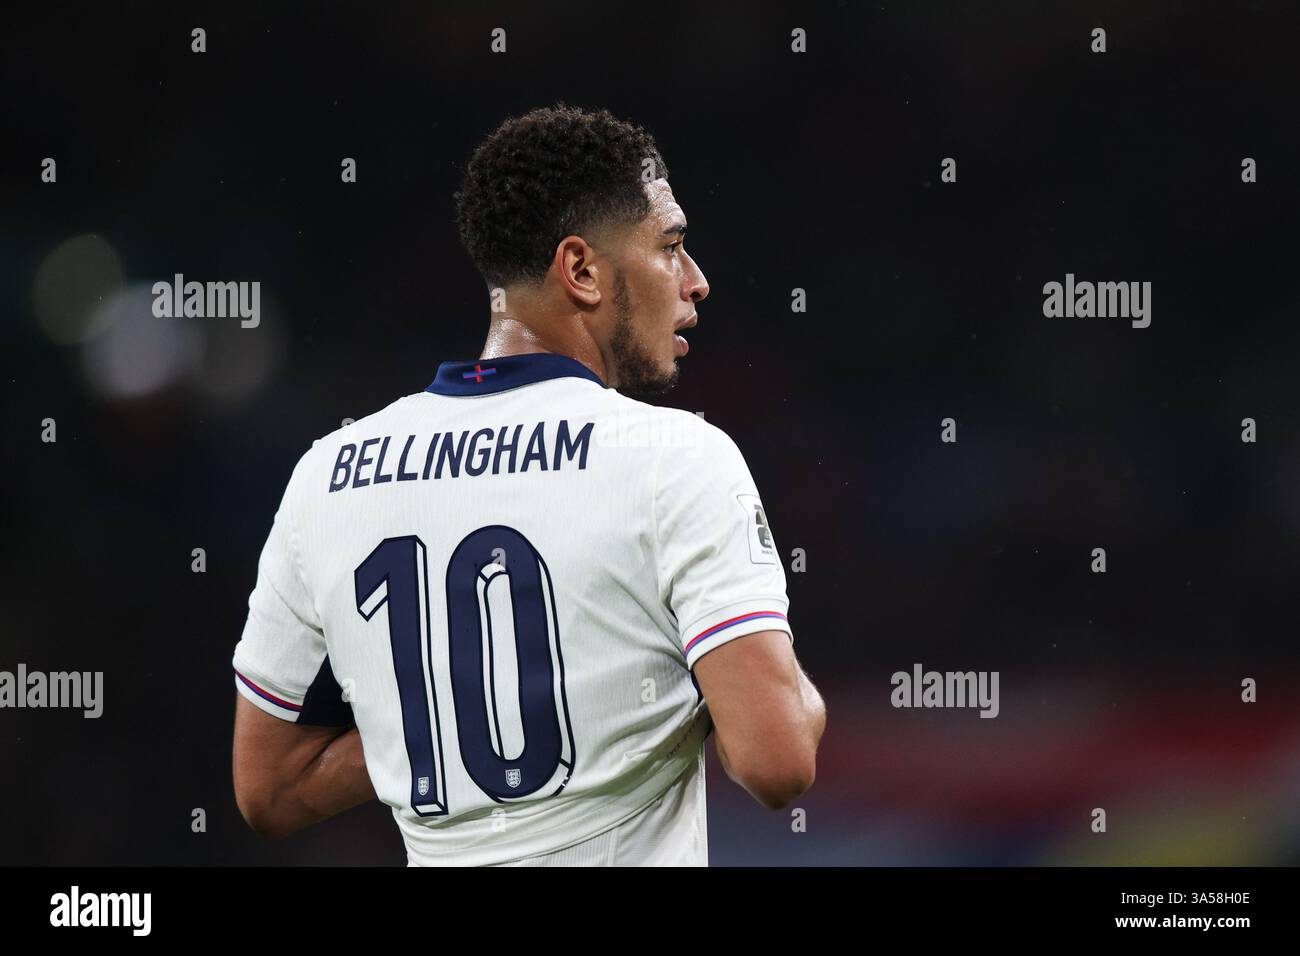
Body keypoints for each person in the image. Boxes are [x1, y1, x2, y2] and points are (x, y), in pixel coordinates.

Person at [230, 104, 826, 866]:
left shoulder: (328, 473)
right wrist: (738, 699)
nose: (695, 282)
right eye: (670, 246)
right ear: (580, 270)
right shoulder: (674, 457)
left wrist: (437, 724)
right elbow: (776, 763)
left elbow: (269, 788)